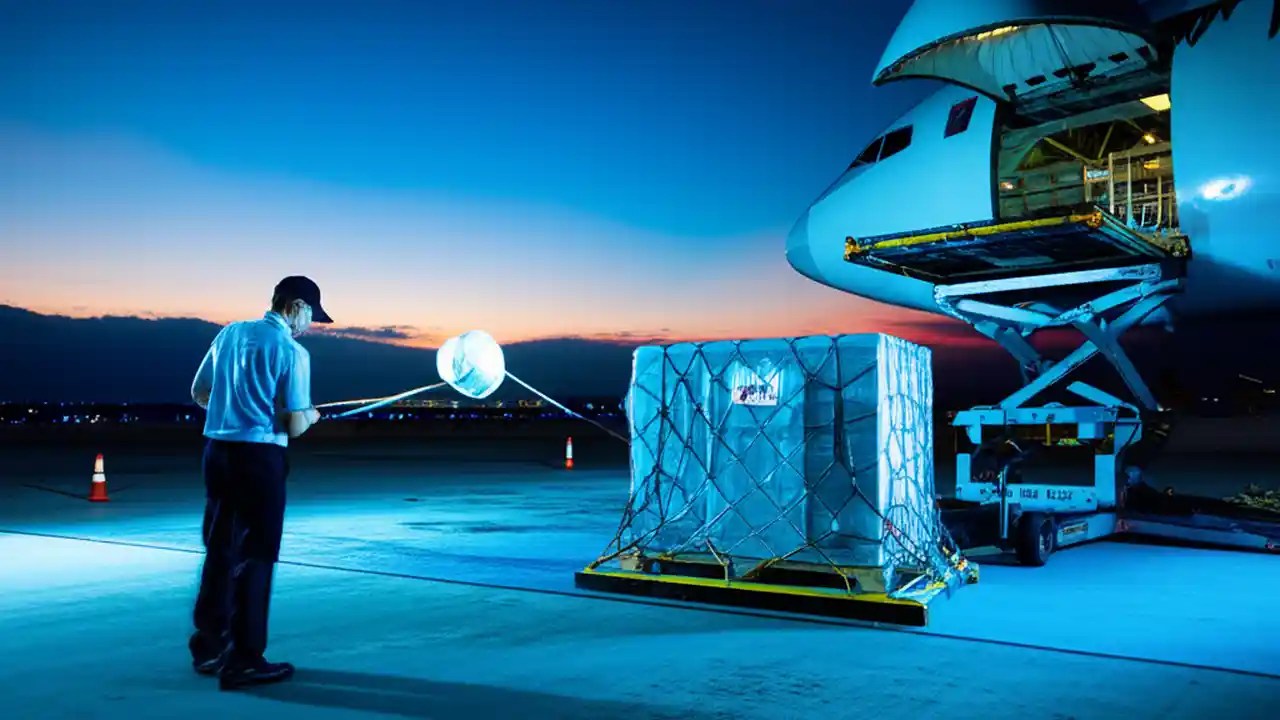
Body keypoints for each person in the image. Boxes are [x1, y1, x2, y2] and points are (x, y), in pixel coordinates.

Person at [187, 275, 332, 690]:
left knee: (219, 547)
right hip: (260, 458)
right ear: (295, 306)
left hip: (216, 452)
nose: (309, 326)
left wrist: (234, 407)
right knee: (256, 554)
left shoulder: (229, 333)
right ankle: (245, 658)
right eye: (310, 315)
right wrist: (311, 416)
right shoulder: (291, 350)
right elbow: (296, 423)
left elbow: (199, 391)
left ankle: (209, 647)